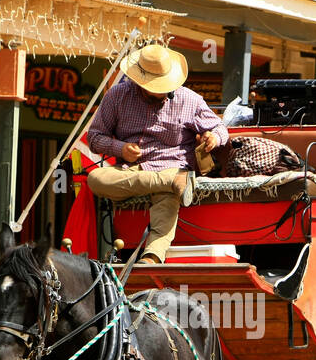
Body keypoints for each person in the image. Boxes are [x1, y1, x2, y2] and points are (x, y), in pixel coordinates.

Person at [86, 44, 228, 264]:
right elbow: (94, 137)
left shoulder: (190, 100)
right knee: (95, 179)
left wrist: (214, 138)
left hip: (172, 163)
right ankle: (170, 182)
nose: (160, 91)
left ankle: (152, 256)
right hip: (131, 170)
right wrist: (120, 148)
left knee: (167, 199)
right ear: (139, 82)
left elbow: (221, 129)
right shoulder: (116, 96)